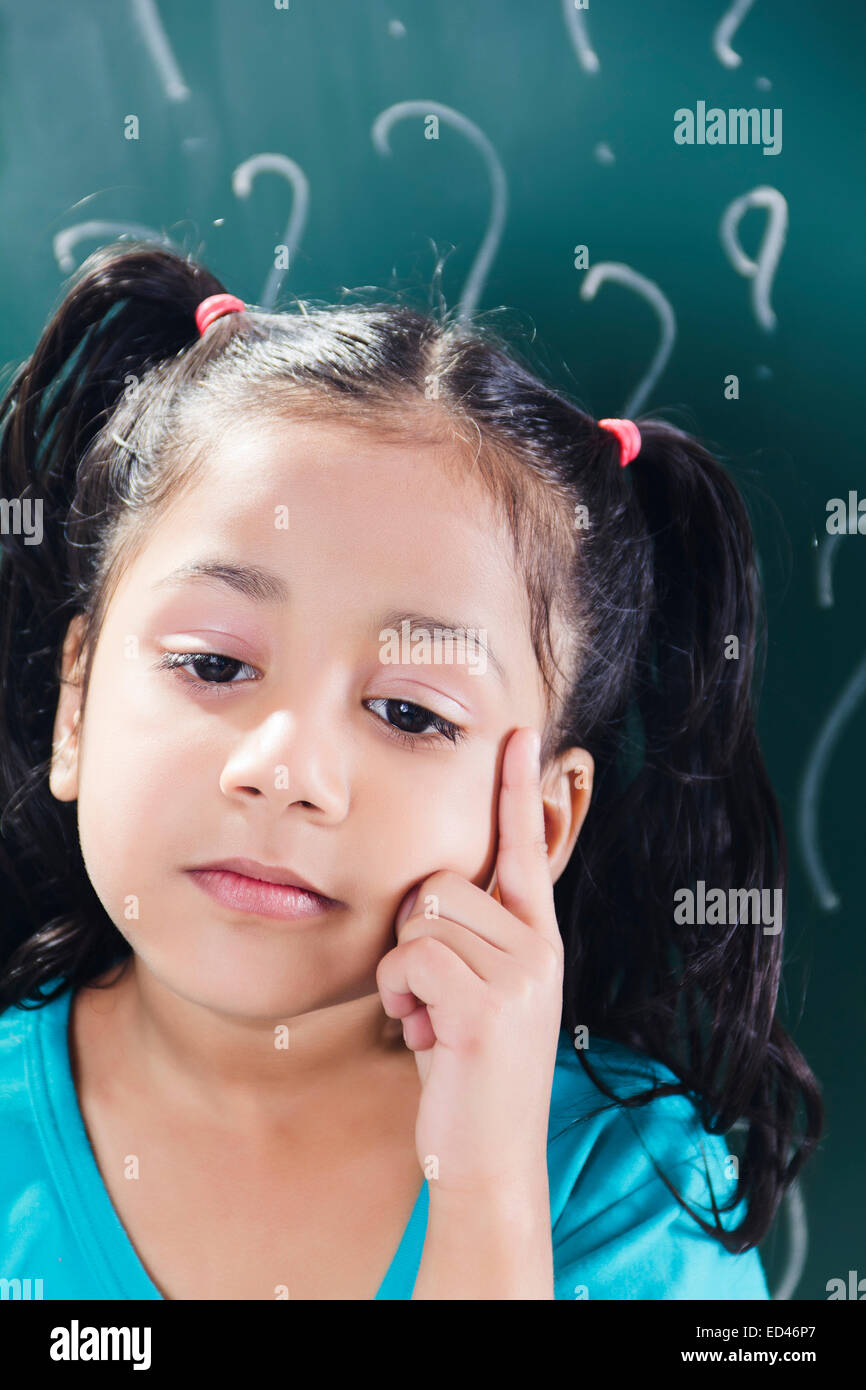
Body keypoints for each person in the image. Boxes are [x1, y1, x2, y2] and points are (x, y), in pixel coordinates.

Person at [0, 243, 823, 1299]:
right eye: (213, 663)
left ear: (543, 815)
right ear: (76, 703)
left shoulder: (631, 1192)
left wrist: (487, 1190)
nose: (286, 768)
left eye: (407, 711)